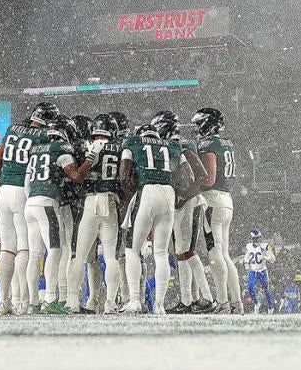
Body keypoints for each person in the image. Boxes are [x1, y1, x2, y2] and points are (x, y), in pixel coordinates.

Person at [0, 102, 58, 316]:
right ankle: (22, 301)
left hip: (4, 191)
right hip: (23, 190)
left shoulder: (12, 130)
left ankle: (3, 301)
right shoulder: (44, 137)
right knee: (26, 249)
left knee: (7, 249)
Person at [118, 114, 190, 314]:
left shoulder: (132, 142)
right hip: (168, 192)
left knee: (132, 249)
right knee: (160, 253)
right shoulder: (173, 146)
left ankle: (134, 301)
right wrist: (176, 193)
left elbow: (123, 176)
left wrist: (133, 193)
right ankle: (159, 305)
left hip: (147, 190)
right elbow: (188, 177)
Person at [25, 116, 94, 314]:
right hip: (47, 203)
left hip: (30, 203)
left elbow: (27, 183)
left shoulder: (36, 149)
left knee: (35, 254)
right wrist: (88, 162)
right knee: (56, 251)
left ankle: (32, 303)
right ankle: (50, 299)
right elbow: (76, 177)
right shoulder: (61, 149)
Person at [71, 113, 123, 314]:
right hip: (110, 200)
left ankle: (75, 301)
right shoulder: (120, 147)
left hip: (91, 199)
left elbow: (79, 174)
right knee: (111, 257)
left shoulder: (87, 145)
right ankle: (110, 303)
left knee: (80, 256)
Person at [192, 107, 243, 314]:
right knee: (224, 254)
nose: (195, 128)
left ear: (206, 123)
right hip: (226, 199)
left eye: (197, 124)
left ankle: (222, 301)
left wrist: (192, 183)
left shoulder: (208, 144)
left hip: (212, 199)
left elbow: (209, 178)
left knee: (215, 255)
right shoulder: (226, 142)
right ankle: (236, 302)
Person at [162, 111, 213, 314]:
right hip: (181, 204)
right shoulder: (177, 146)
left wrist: (183, 198)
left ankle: (208, 298)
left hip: (190, 202)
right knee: (181, 253)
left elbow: (201, 175)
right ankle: (186, 300)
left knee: (189, 251)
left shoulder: (183, 146)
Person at [244, 230, 276, 313]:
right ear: (252, 239)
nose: (258, 239)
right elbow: (247, 256)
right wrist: (246, 263)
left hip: (262, 271)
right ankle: (256, 303)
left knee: (266, 290)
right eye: (256, 238)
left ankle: (270, 307)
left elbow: (273, 259)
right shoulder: (249, 246)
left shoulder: (265, 246)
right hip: (253, 271)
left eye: (259, 237)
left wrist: (265, 257)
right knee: (250, 287)